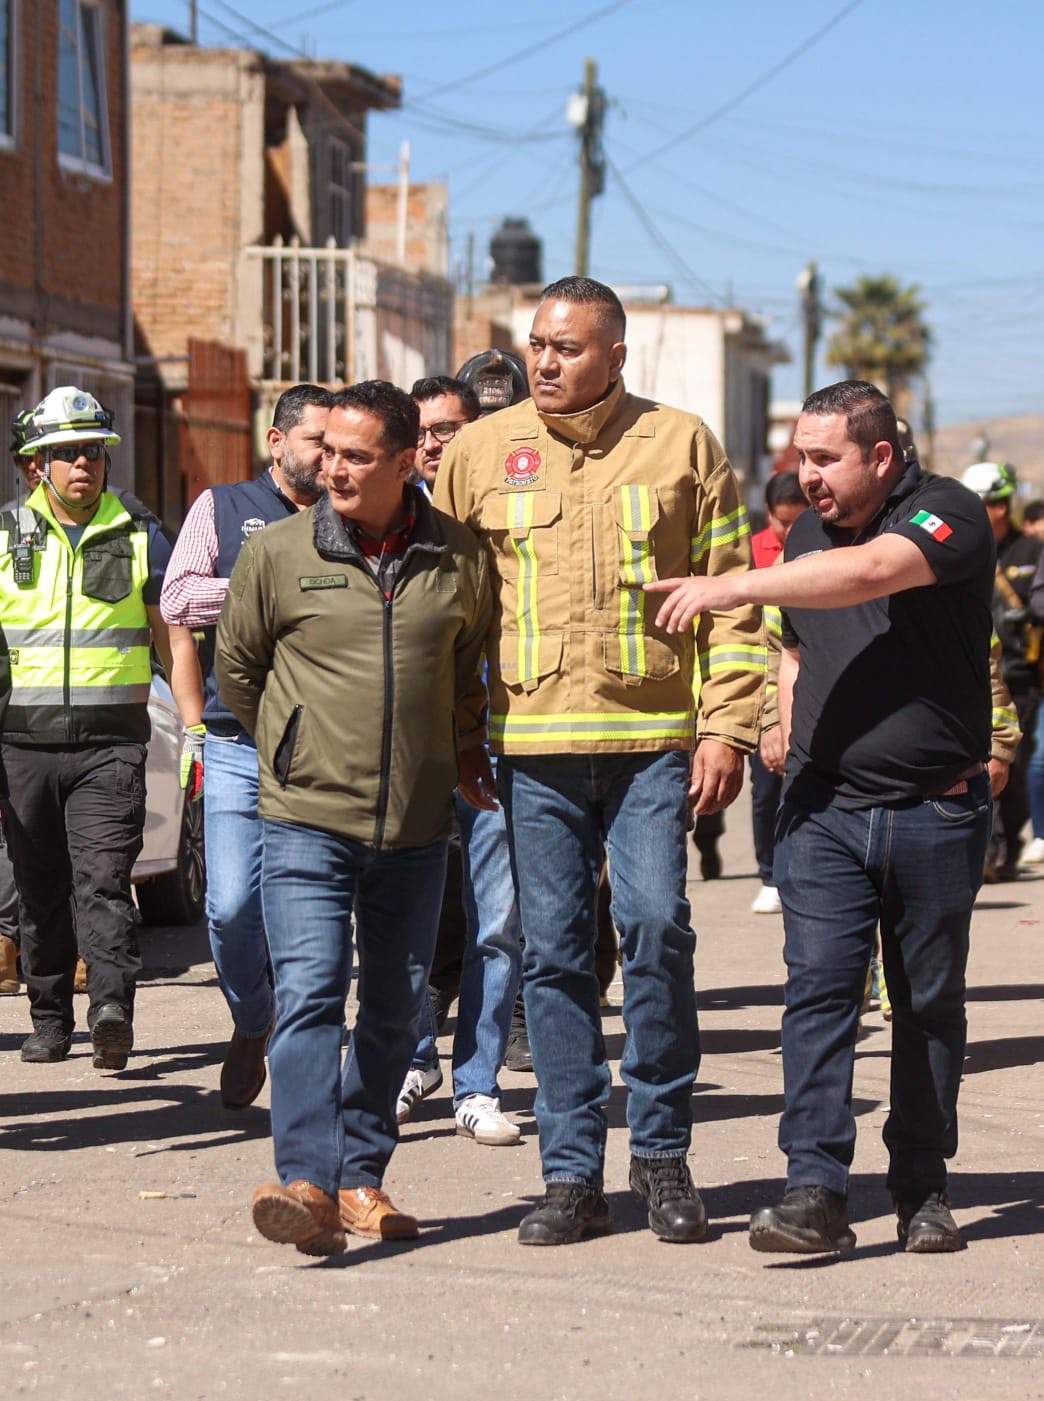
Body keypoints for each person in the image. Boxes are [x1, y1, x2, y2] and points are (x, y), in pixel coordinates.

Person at [435, 275, 764, 1246]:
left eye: (568, 347)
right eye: (537, 343)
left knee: (658, 932)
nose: (545, 360)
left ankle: (661, 1156)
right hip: (527, 754)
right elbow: (452, 614)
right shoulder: (479, 453)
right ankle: (571, 1173)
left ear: (616, 355)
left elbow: (732, 598)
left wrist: (726, 727)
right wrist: (457, 737)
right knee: (554, 956)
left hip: (652, 746)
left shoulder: (683, 444)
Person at [648, 379, 995, 1256]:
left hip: (933, 813)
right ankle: (814, 1190)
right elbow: (799, 640)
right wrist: (782, 722)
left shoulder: (946, 513)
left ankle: (921, 1186)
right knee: (819, 997)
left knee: (925, 1006)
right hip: (827, 813)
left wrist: (729, 585)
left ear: (881, 455)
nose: (806, 476)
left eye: (824, 457)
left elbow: (869, 574)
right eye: (799, 456)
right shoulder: (806, 530)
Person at [215, 381, 491, 1256]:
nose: (331, 466)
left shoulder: (460, 557)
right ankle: (304, 1179)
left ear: (407, 462)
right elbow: (239, 667)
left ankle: (359, 1179)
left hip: (416, 825)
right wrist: (292, 751)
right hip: (304, 818)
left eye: (355, 454)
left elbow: (468, 670)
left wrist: (462, 756)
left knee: (397, 1008)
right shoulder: (279, 552)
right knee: (310, 991)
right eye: (326, 448)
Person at [1, 386, 201, 1069]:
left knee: (105, 878)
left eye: (93, 451)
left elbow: (174, 640)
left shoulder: (140, 534)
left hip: (110, 747)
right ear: (38, 465)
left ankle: (111, 1010)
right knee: (39, 888)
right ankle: (50, 1019)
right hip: (21, 747)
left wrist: (195, 728)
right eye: (67, 453)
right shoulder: (6, 536)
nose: (84, 463)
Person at [161, 384, 333, 1108]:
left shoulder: (347, 514)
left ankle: (303, 1049)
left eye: (336, 443)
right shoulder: (223, 508)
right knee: (231, 906)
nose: (328, 456)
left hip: (325, 743)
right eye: (316, 441)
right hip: (236, 741)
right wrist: (264, 582)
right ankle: (251, 1018)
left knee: (314, 910)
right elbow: (177, 598)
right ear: (277, 441)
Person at [397, 374, 525, 1147]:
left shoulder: (505, 510)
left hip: (494, 741)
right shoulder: (386, 516)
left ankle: (477, 1081)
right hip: (408, 747)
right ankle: (413, 1059)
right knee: (403, 919)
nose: (441, 443)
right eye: (428, 431)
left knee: (497, 921)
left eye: (454, 428)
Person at [960, 462, 1042, 878]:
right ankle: (986, 849)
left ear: (1005, 503)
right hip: (975, 671)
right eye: (979, 503)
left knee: (1013, 760)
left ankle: (1009, 844)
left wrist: (1030, 614)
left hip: (1020, 673)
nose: (987, 510)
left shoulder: (1031, 551)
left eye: (993, 502)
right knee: (977, 762)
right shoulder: (962, 549)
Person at [749, 472, 807, 914]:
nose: (791, 531)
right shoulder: (752, 555)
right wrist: (770, 719)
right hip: (766, 692)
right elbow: (769, 649)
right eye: (783, 523)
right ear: (770, 516)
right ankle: (769, 873)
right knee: (767, 787)